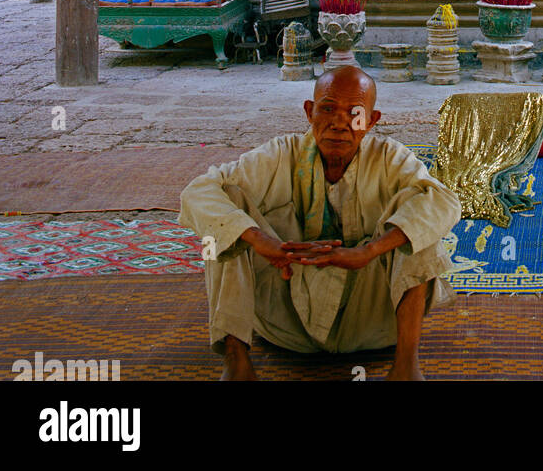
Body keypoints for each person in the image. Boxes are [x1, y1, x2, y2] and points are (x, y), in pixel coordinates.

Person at [178, 65, 460, 380]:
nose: (340, 123)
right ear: (310, 112)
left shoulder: (390, 158)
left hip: (371, 320)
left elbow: (445, 202)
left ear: (370, 121)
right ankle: (235, 359)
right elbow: (198, 191)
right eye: (328, 109)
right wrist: (259, 239)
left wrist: (369, 251)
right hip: (286, 318)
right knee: (218, 227)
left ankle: (406, 366)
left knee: (420, 220)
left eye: (354, 112)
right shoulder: (281, 154)